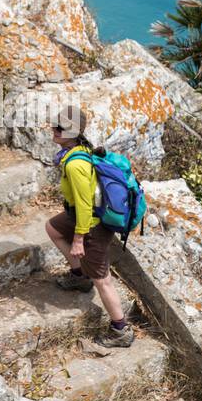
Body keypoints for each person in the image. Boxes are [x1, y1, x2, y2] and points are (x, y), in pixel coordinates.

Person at [44, 104, 135, 349]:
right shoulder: (77, 148)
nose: (53, 130)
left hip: (92, 226)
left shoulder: (75, 165)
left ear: (72, 133)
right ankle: (78, 276)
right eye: (54, 125)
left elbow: (85, 206)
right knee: (52, 228)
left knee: (103, 280)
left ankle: (120, 329)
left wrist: (78, 240)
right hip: (82, 217)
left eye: (59, 128)